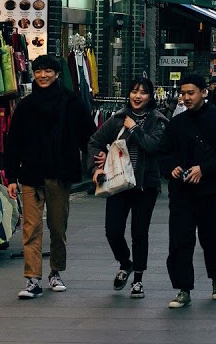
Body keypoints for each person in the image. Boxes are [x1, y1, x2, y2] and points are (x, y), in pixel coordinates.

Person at [4, 54, 94, 299]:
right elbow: (13, 143)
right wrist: (11, 176)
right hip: (30, 174)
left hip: (59, 173)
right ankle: (32, 279)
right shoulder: (26, 105)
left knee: (57, 226)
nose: (42, 75)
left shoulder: (71, 102)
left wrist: (96, 164)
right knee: (31, 228)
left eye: (47, 71)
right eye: (38, 71)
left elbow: (89, 135)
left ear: (56, 74)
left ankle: (56, 271)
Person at [160, 73, 216, 309]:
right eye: (182, 93)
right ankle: (183, 288)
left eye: (190, 93)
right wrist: (171, 168)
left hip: (213, 190)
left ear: (204, 93)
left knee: (215, 238)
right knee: (180, 240)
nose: (185, 98)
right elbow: (164, 152)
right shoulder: (176, 123)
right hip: (182, 193)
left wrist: (203, 169)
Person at [88, 77, 168, 299]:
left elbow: (153, 147)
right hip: (117, 183)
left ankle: (138, 280)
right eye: (134, 91)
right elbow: (95, 141)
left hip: (145, 186)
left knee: (139, 233)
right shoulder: (117, 119)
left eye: (143, 92)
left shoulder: (158, 120)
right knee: (112, 230)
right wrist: (95, 166)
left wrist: (133, 129)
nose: (138, 96)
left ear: (150, 96)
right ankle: (126, 263)